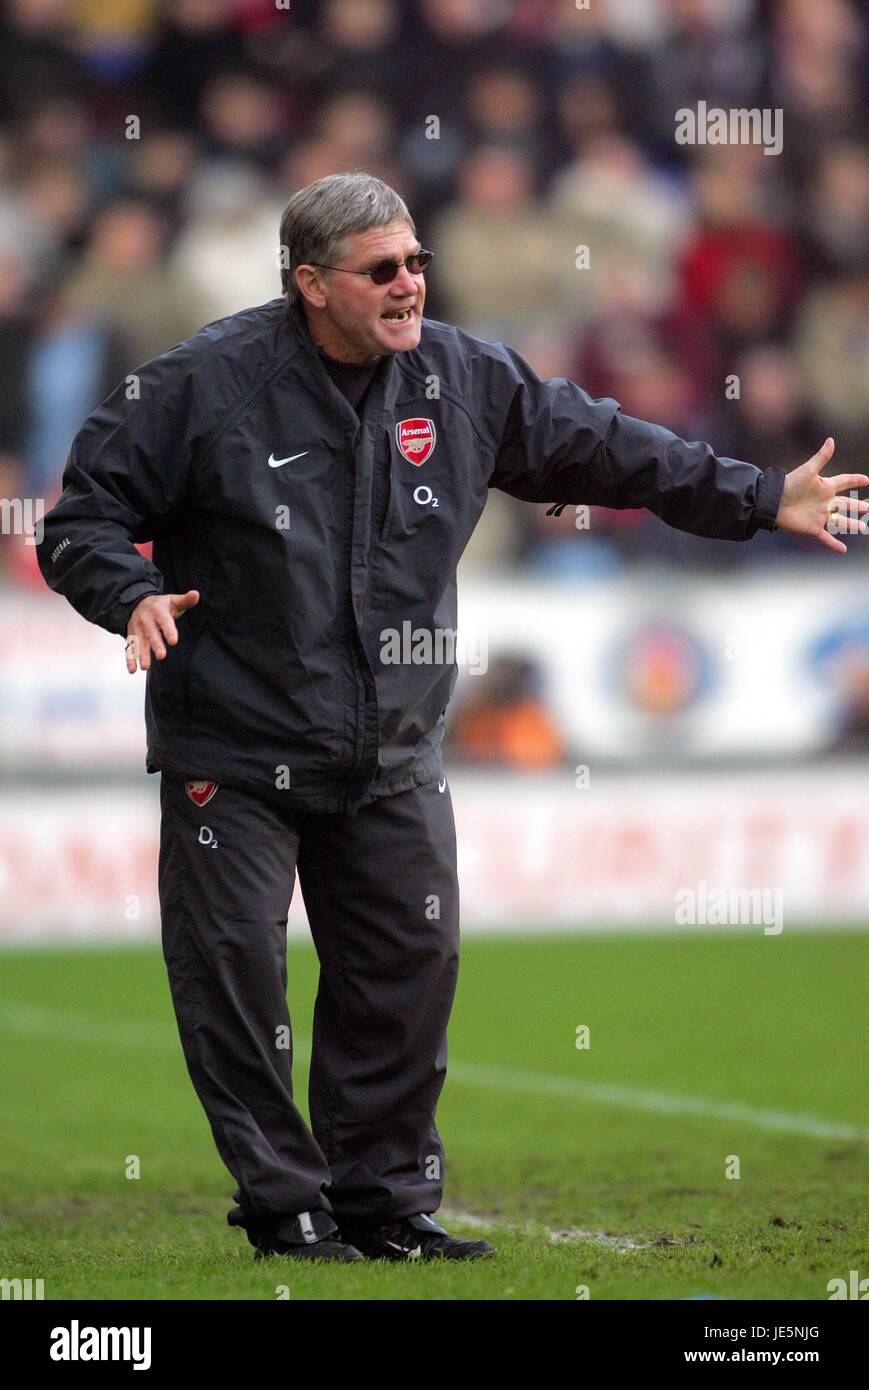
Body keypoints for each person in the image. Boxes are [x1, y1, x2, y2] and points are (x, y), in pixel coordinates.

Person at [35, 172, 867, 1264]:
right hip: (234, 746)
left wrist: (758, 497)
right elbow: (80, 516)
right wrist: (128, 590)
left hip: (390, 745)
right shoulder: (200, 385)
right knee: (237, 975)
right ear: (310, 285)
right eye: (382, 269)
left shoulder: (465, 378)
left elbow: (608, 447)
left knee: (407, 972)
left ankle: (380, 1203)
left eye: (417, 261)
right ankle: (284, 1204)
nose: (409, 283)